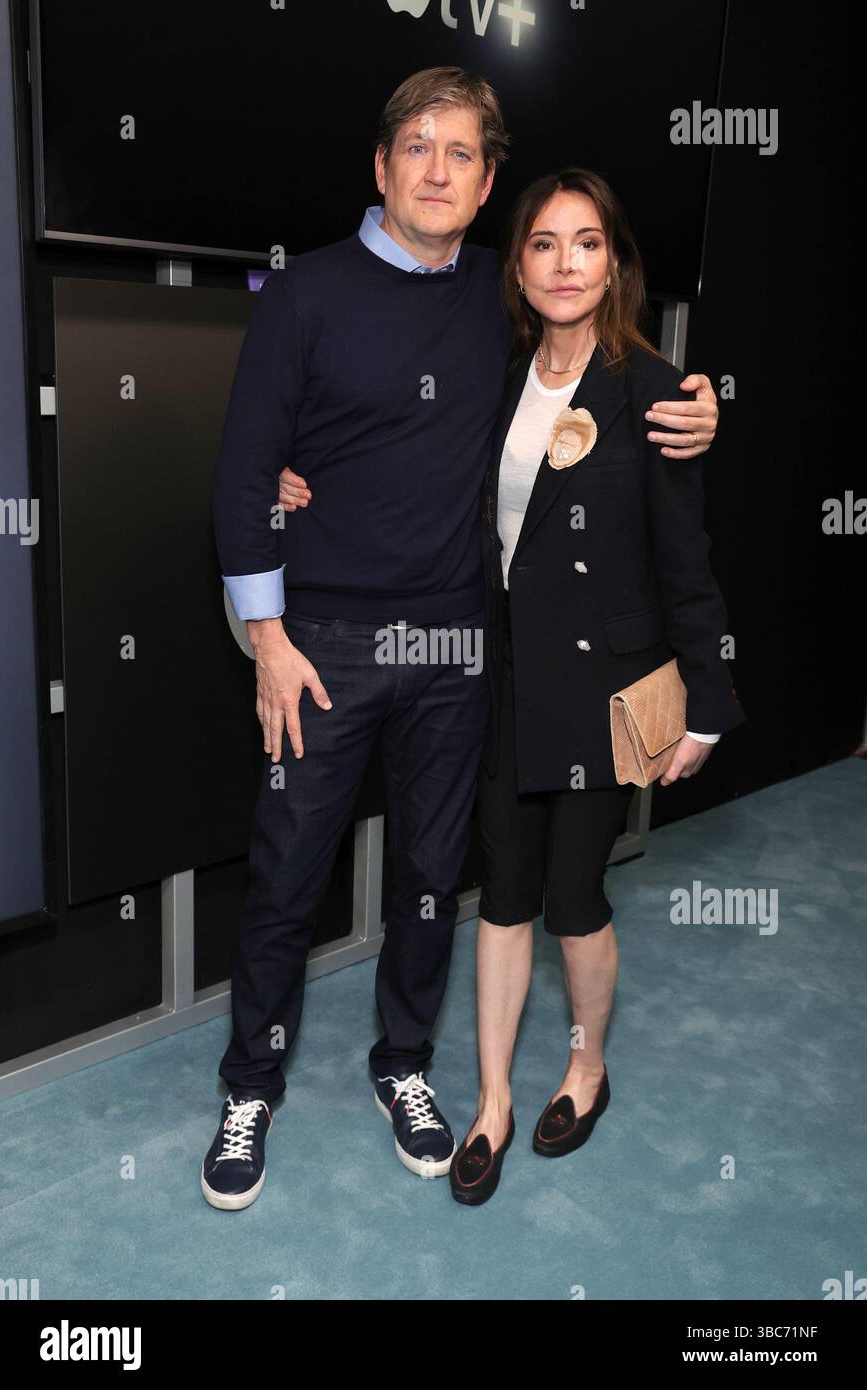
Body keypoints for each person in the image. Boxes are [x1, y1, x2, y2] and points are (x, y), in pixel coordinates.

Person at [204, 68, 721, 1211]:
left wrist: (701, 406)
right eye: (417, 148)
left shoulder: (504, 291)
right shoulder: (303, 294)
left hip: (457, 647)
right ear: (382, 167)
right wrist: (268, 637)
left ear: (488, 183)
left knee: (436, 879)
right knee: (288, 873)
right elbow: (246, 472)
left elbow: (605, 366)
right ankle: (250, 1084)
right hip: (323, 646)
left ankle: (404, 1066)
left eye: (462, 154)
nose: (438, 170)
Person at [447, 168, 746, 1206]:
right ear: (517, 265)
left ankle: (585, 1068)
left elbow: (685, 557)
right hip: (504, 682)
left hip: (603, 684)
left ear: (613, 261)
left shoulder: (656, 388)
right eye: (541, 244)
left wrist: (706, 700)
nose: (564, 263)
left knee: (574, 900)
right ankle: (488, 1099)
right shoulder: (498, 372)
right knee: (501, 900)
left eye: (585, 243)